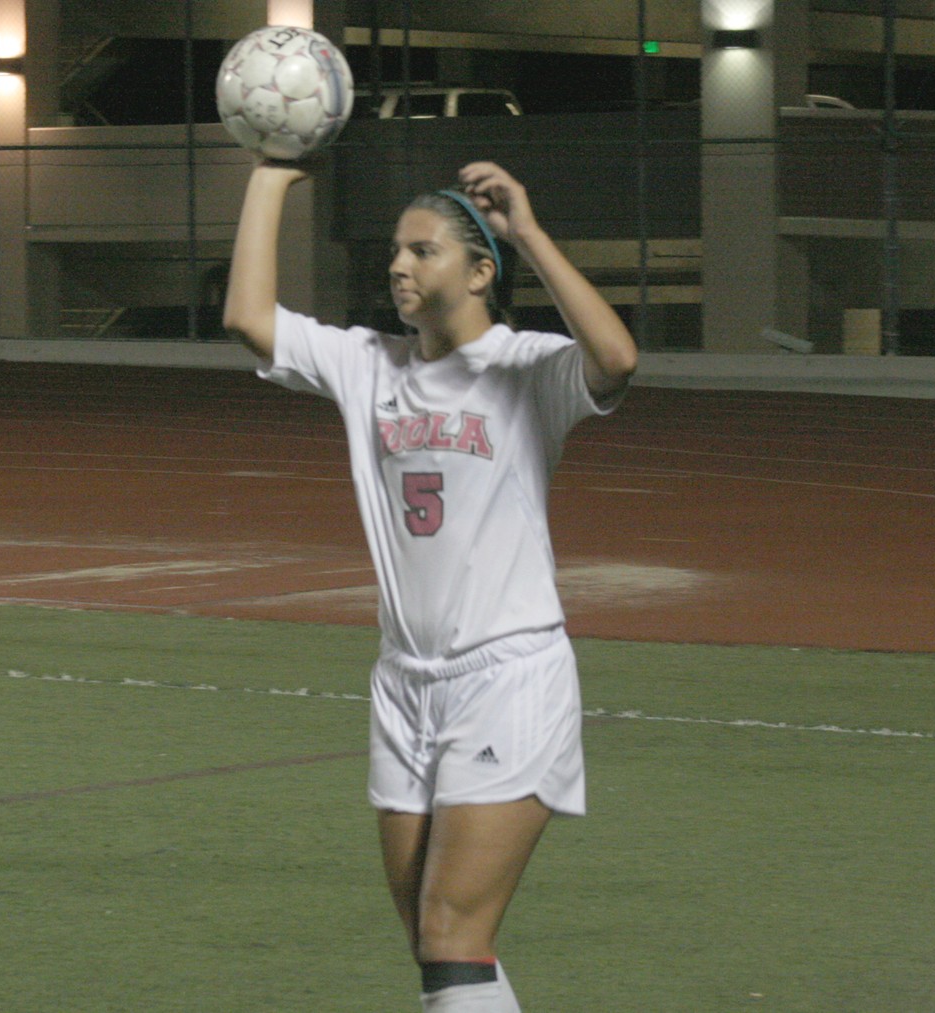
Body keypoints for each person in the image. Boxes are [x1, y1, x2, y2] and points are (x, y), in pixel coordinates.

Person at [223, 159, 637, 1012]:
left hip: (507, 675)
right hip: (406, 682)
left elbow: (618, 356)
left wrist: (528, 230)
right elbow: (248, 318)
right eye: (394, 252)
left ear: (481, 270)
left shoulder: (527, 368)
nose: (398, 266)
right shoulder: (367, 365)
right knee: (432, 935)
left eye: (423, 250)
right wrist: (268, 178)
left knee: (453, 928)